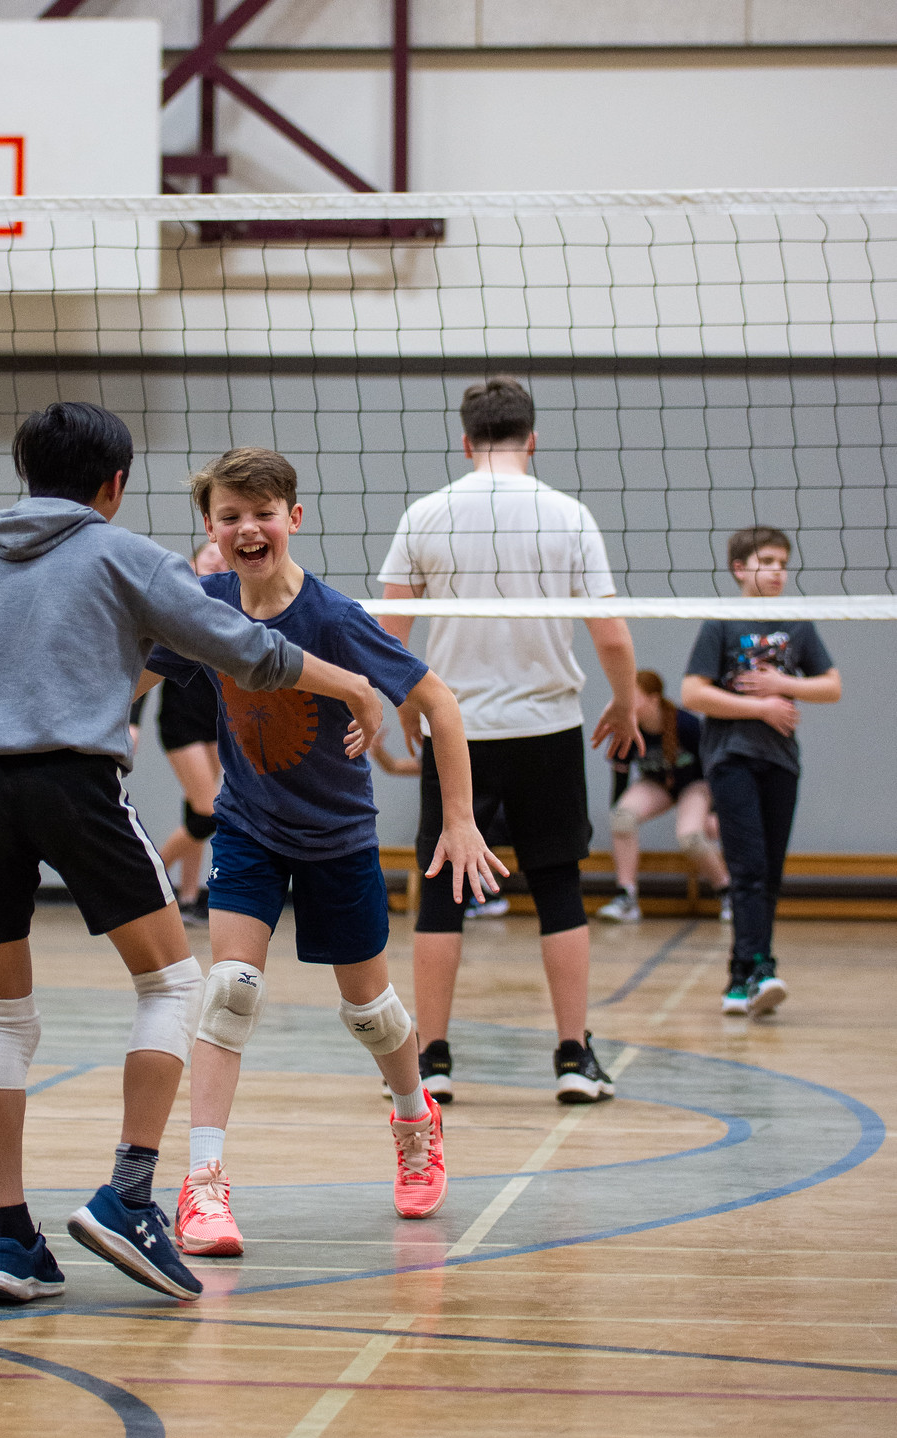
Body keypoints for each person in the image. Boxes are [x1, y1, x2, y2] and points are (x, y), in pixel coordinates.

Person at [0, 402, 385, 1306]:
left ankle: (12, 1242)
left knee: (0, 1018)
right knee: (171, 984)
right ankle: (127, 1196)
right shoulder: (121, 553)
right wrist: (349, 681)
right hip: (74, 784)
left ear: (24, 472)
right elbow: (246, 648)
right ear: (113, 486)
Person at [137, 446, 503, 1260]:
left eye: (262, 513)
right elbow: (137, 675)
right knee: (229, 991)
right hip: (248, 828)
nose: (247, 529)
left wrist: (459, 819)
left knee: (370, 1013)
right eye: (229, 516)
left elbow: (438, 703)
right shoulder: (204, 604)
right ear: (210, 528)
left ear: (292, 520)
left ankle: (413, 1118)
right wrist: (91, 733)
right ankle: (202, 1187)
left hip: (338, 838)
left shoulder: (333, 620)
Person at [376, 374, 642, 1105]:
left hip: (455, 729)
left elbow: (387, 636)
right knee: (558, 886)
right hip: (547, 726)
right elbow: (612, 634)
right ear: (532, 438)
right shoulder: (568, 514)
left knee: (440, 890)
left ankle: (430, 1059)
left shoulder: (426, 513)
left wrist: (405, 706)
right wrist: (624, 705)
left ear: (464, 441)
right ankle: (570, 1057)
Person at [680, 526, 841, 1017]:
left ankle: (739, 977)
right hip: (732, 759)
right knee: (747, 869)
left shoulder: (798, 624)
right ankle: (761, 968)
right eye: (766, 561)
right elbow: (692, 693)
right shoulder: (721, 624)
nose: (776, 571)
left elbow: (832, 686)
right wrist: (761, 707)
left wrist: (780, 683)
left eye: (782, 563)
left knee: (768, 873)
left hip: (782, 762)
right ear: (739, 568)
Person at [131, 539, 226, 920]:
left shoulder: (234, 607)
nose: (218, 564)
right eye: (210, 558)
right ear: (192, 564)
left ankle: (189, 897)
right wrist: (132, 721)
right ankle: (142, 884)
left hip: (217, 721)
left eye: (224, 562)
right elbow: (145, 661)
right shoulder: (174, 607)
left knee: (196, 810)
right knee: (208, 812)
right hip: (180, 721)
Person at [598, 669, 730, 924]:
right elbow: (621, 777)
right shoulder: (624, 728)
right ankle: (627, 897)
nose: (624, 702)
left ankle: (727, 892)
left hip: (695, 784)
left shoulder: (687, 725)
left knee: (690, 837)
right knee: (622, 819)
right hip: (657, 784)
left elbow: (713, 769)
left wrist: (715, 811)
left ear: (653, 699)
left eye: (631, 696)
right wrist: (617, 809)